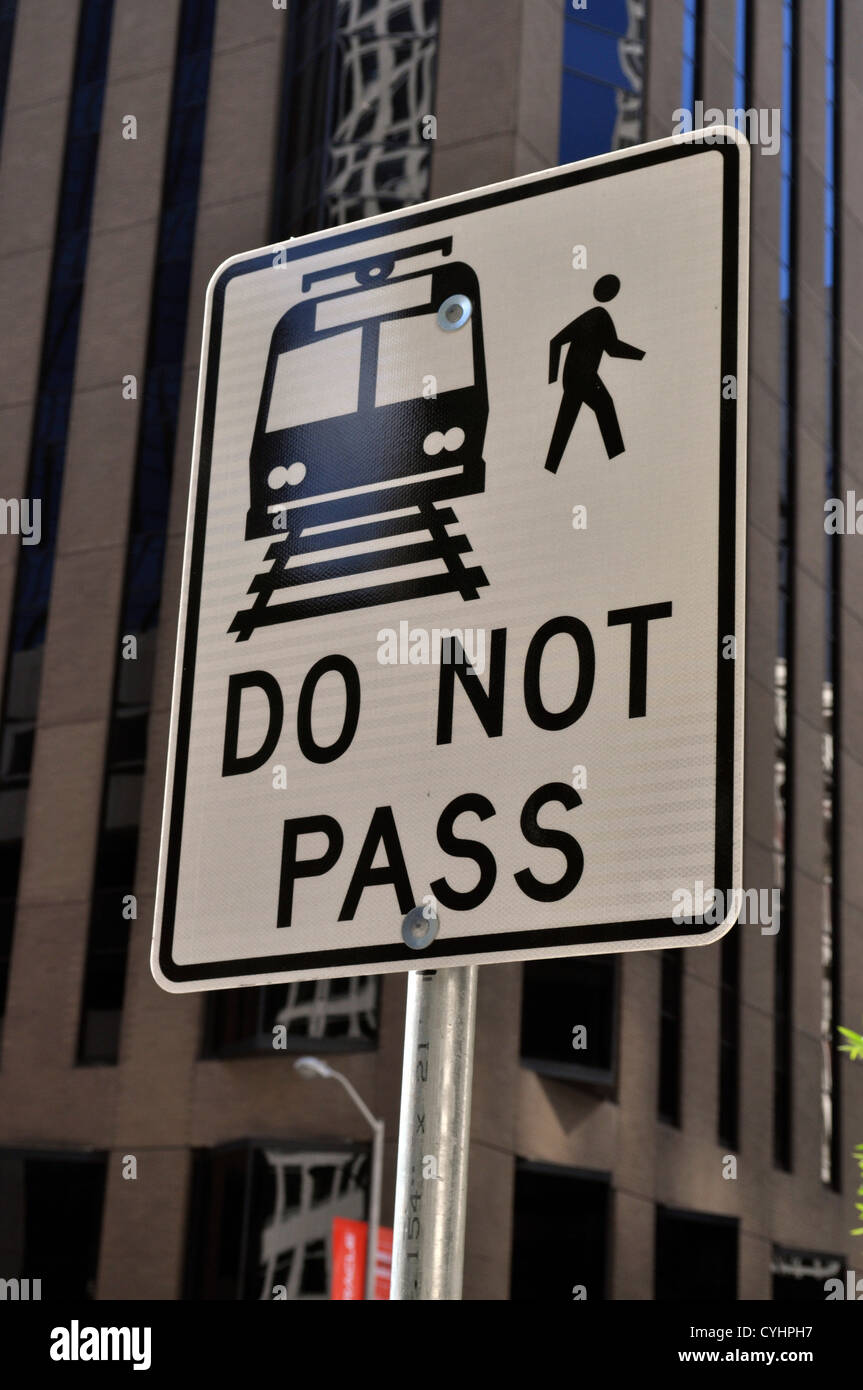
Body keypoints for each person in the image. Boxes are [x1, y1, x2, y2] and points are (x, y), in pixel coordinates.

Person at [544, 274, 645, 471]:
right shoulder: (599, 315)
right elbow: (556, 342)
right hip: (581, 377)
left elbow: (612, 349)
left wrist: (641, 355)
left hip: (579, 377)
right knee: (598, 408)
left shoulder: (597, 315)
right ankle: (617, 457)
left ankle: (551, 466)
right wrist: (551, 379)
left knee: (575, 418)